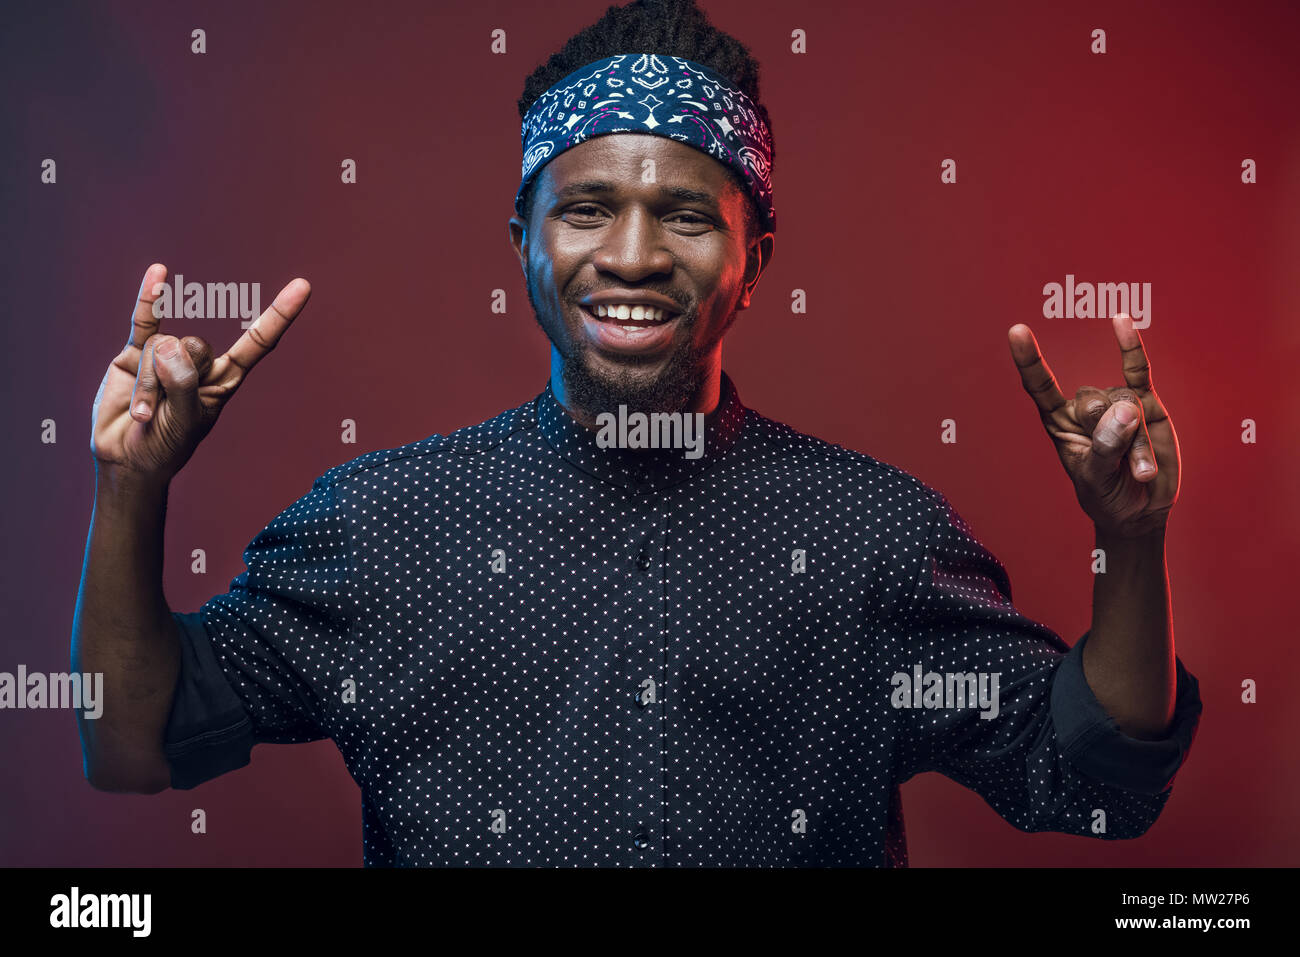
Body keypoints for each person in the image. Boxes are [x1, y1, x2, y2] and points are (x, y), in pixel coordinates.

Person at [73, 0, 1200, 866]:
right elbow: (131, 744)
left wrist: (1130, 539)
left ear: (754, 260)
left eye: (686, 215)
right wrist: (131, 488)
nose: (630, 255)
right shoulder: (379, 526)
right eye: (585, 207)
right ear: (523, 238)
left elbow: (1093, 774)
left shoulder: (871, 533)